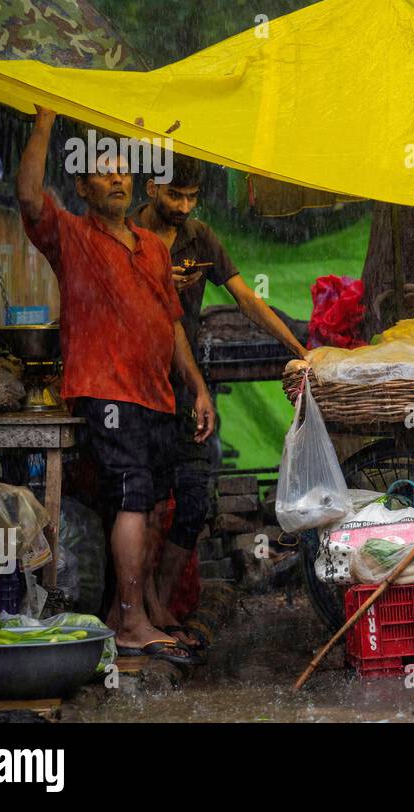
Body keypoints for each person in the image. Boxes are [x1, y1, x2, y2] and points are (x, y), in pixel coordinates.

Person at [17, 107, 215, 665]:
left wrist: (196, 388)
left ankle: (131, 613)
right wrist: (44, 123)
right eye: (103, 172)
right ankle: (129, 623)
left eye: (124, 170)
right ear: (82, 186)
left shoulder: (152, 247)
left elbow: (171, 322)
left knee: (153, 508)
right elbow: (31, 197)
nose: (118, 178)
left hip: (157, 394)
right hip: (107, 392)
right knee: (131, 499)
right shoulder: (72, 236)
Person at [130, 156, 307, 641]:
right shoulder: (127, 236)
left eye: (191, 197)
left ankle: (161, 606)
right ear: (151, 189)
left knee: (190, 499)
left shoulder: (200, 238)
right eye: (175, 197)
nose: (184, 206)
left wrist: (298, 348)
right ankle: (138, 610)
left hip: (187, 385)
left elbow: (246, 299)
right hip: (134, 383)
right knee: (141, 502)